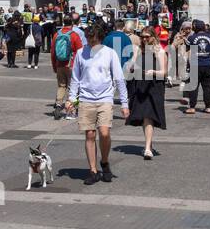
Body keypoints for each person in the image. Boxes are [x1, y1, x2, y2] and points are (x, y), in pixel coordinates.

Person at [66, 23, 130, 184]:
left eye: (93, 40)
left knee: (104, 133)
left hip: (105, 98)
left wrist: (124, 103)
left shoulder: (110, 53)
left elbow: (119, 79)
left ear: (99, 39)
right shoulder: (81, 53)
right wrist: (71, 98)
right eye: (88, 39)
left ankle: (105, 161)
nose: (90, 43)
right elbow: (75, 78)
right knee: (89, 134)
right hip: (86, 98)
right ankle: (93, 170)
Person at [125, 27, 167, 159]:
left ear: (154, 37)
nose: (144, 39)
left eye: (147, 37)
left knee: (148, 116)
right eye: (142, 36)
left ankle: (148, 148)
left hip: (154, 87)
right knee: (144, 117)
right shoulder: (139, 50)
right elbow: (132, 66)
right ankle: (148, 144)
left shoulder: (160, 51)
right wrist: (132, 65)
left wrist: (153, 72)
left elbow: (164, 72)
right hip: (140, 86)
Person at [51, 16, 84, 119]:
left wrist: (54, 66)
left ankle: (58, 104)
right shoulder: (74, 35)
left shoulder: (56, 35)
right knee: (72, 88)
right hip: (71, 65)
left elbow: (52, 52)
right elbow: (80, 51)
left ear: (63, 22)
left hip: (60, 64)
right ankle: (71, 111)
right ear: (73, 23)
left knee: (61, 86)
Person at [182, 19, 210, 114]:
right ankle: (208, 107)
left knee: (194, 87)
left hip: (195, 64)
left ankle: (192, 107)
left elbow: (188, 51)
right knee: (206, 86)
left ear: (195, 28)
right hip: (207, 64)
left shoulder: (192, 38)